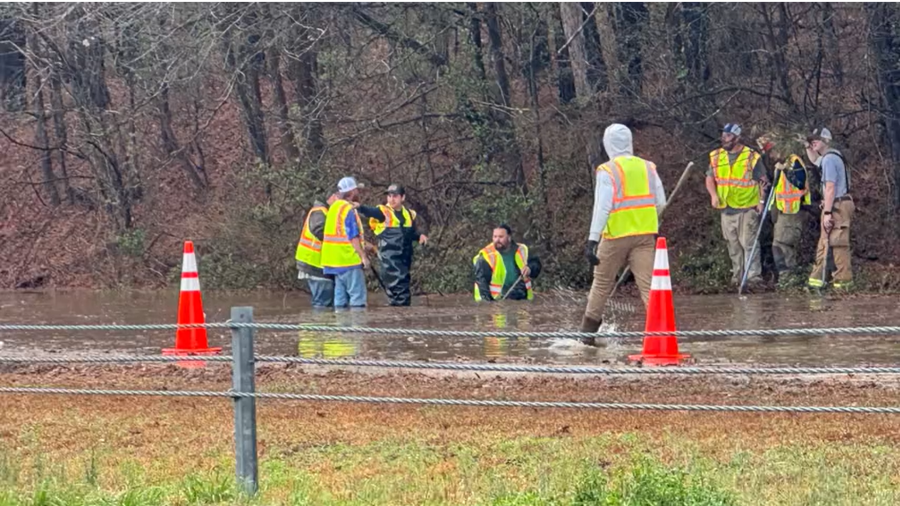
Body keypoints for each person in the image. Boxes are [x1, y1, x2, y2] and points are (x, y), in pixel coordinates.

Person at [580, 123, 666, 340]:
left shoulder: (607, 170)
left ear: (607, 144)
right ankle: (660, 337)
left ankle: (586, 338)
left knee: (601, 285)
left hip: (614, 238)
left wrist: (592, 239)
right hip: (645, 236)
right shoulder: (648, 167)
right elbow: (660, 203)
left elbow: (602, 207)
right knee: (649, 287)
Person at [705, 123, 768, 288]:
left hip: (748, 208)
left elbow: (763, 181)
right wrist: (713, 195)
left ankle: (753, 278)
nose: (724, 139)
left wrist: (761, 201)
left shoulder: (751, 156)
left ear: (737, 137)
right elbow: (710, 178)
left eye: (728, 136)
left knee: (749, 243)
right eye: (723, 135)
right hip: (726, 209)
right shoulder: (717, 156)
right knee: (732, 245)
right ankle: (737, 278)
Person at [356, 184, 428, 306]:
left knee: (400, 294)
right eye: (389, 196)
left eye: (395, 196)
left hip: (404, 259)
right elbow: (371, 211)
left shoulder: (409, 214)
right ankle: (401, 319)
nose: (391, 199)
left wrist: (420, 236)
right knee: (400, 293)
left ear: (402, 198)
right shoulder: (383, 212)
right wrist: (360, 207)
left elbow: (411, 233)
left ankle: (397, 319)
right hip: (389, 261)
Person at [806, 127, 854, 290]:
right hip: (837, 203)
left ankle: (843, 284)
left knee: (838, 243)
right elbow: (814, 161)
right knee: (825, 242)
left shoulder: (829, 159)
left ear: (826, 141)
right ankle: (817, 281)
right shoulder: (831, 156)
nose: (813, 143)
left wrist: (827, 212)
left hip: (837, 204)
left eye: (816, 140)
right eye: (812, 140)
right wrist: (806, 146)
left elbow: (830, 187)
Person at [758, 135, 810, 280]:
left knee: (781, 246)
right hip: (781, 213)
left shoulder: (793, 162)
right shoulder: (779, 166)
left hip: (791, 212)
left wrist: (786, 170)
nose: (771, 156)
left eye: (772, 152)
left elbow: (800, 183)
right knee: (780, 247)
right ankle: (787, 279)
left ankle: (788, 279)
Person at [321, 177, 370, 309]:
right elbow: (352, 236)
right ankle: (357, 327)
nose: (358, 193)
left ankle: (340, 328)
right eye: (357, 190)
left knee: (340, 301)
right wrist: (363, 257)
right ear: (353, 191)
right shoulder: (347, 209)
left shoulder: (333, 208)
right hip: (349, 261)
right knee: (357, 299)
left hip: (334, 263)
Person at [473, 224, 541, 302]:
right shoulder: (486, 255)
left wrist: (530, 268)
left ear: (509, 237)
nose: (497, 240)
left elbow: (536, 264)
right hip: (497, 301)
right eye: (495, 237)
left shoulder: (521, 249)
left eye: (501, 237)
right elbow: (482, 282)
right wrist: (489, 304)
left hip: (521, 298)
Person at [294, 193, 338, 308]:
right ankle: (316, 324)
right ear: (334, 197)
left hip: (315, 263)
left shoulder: (323, 211)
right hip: (315, 264)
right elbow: (320, 232)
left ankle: (316, 324)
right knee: (322, 304)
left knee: (322, 302)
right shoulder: (319, 212)